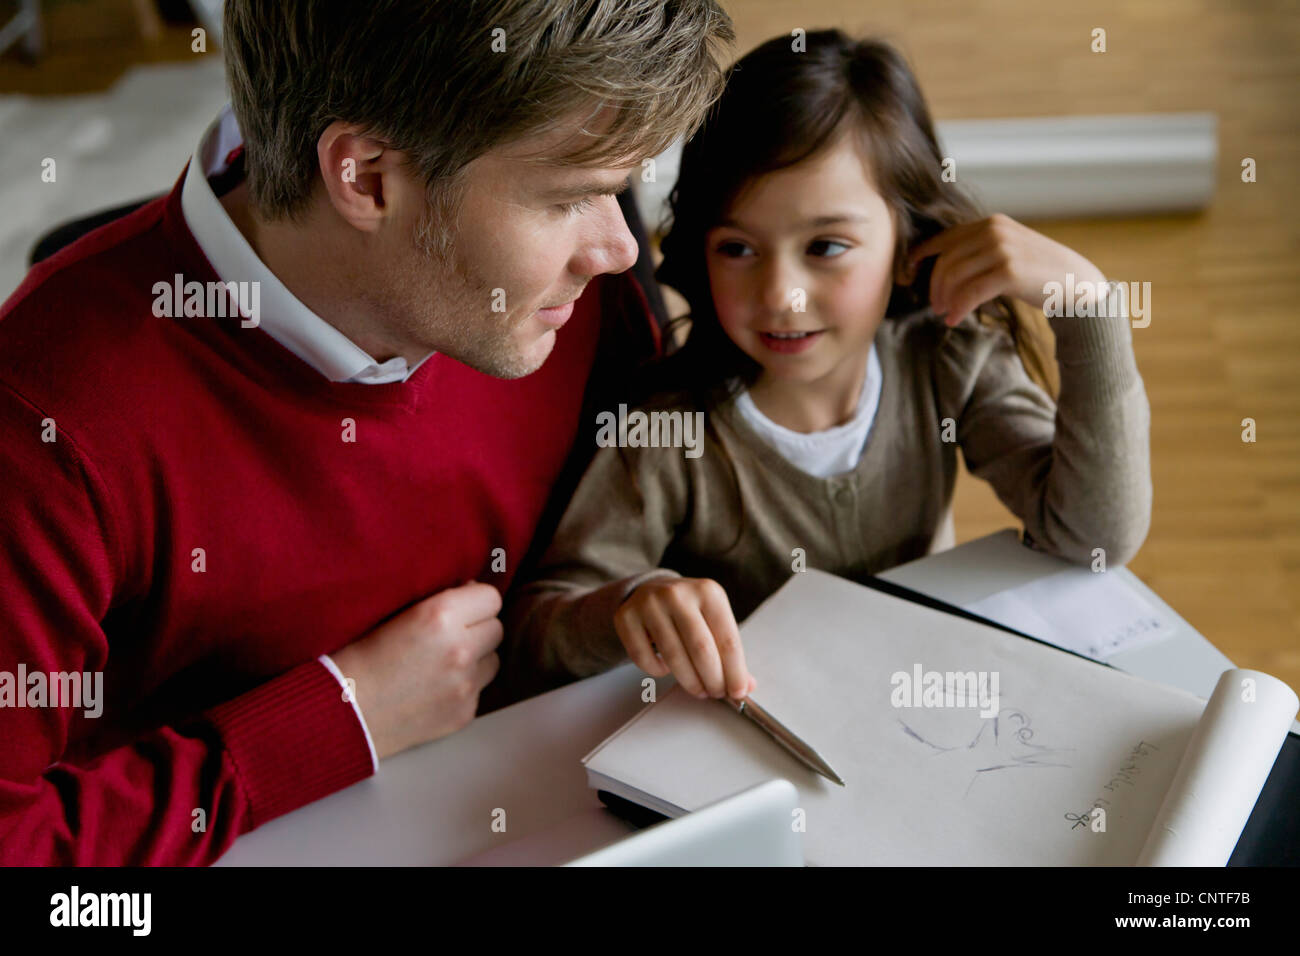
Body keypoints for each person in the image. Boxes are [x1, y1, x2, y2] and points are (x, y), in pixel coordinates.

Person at [0, 0, 734, 865]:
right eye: (570, 198)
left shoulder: (566, 308)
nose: (620, 250)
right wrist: (337, 717)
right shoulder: (39, 426)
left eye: (619, 189)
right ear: (366, 179)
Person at [504, 30, 1152, 704]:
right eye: (737, 248)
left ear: (909, 243)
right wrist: (629, 605)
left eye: (826, 246)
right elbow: (536, 638)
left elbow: (1093, 537)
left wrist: (1090, 309)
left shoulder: (947, 360)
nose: (780, 295)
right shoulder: (665, 438)